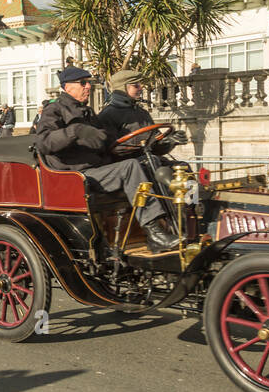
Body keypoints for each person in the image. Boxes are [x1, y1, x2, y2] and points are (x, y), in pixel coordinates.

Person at [33, 66, 177, 253]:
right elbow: (43, 142)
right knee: (131, 167)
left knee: (163, 166)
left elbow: (110, 144)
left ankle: (180, 220)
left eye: (89, 83)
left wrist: (163, 144)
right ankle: (155, 233)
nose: (88, 87)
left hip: (97, 169)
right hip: (75, 175)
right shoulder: (54, 109)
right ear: (67, 87)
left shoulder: (88, 112)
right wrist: (75, 131)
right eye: (83, 83)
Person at [97, 69, 189, 193]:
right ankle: (164, 210)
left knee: (183, 167)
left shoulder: (142, 113)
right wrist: (142, 147)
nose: (140, 88)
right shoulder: (108, 115)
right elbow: (110, 150)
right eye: (136, 85)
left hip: (149, 160)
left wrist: (170, 141)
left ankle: (194, 204)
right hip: (128, 166)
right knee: (154, 165)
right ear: (123, 89)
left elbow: (156, 147)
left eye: (140, 85)